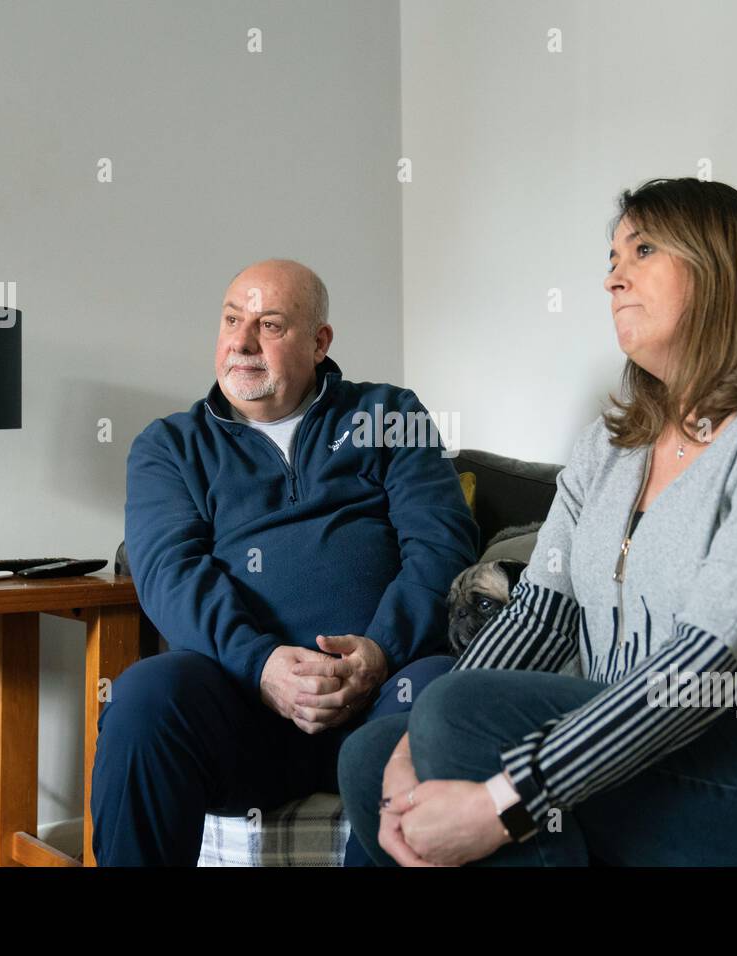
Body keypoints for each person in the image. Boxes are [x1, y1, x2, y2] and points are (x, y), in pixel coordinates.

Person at [338, 178, 737, 866]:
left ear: (720, 265)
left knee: (458, 721)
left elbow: (711, 663)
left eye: (642, 250)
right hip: (650, 743)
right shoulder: (609, 445)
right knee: (372, 759)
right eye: (610, 260)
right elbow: (541, 618)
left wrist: (504, 805)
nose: (612, 279)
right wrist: (407, 747)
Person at [93, 258, 477, 865]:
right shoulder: (171, 445)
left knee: (439, 695)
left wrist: (379, 653)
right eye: (230, 320)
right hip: (241, 707)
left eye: (269, 324)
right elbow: (169, 574)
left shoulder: (388, 414)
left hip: (379, 698)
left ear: (319, 342)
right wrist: (262, 664)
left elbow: (442, 547)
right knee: (143, 695)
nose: (241, 342)